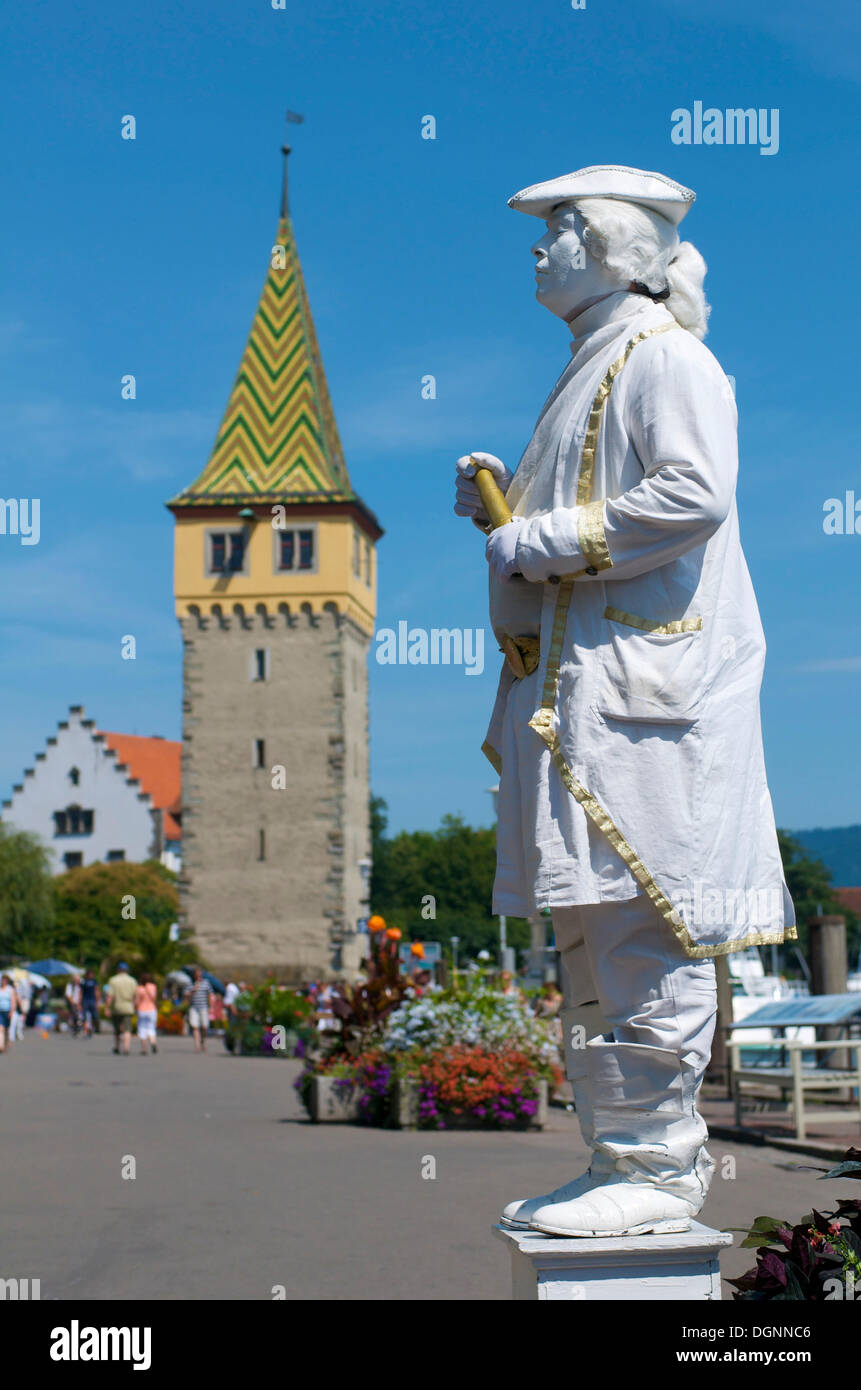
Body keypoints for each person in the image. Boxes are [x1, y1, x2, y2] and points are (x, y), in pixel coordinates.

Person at [455, 164, 794, 1239]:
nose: (537, 251)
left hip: (647, 708)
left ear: (606, 250)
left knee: (646, 931)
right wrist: (500, 513)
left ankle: (659, 1163)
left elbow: (692, 494)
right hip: (589, 703)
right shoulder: (594, 365)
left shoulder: (665, 358)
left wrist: (532, 538)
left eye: (556, 234)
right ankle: (619, 1153)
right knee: (594, 938)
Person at [104, 962, 138, 1055]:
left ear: (118, 970)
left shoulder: (113, 980)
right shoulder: (132, 981)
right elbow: (136, 996)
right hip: (128, 1007)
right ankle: (127, 1048)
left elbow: (110, 996)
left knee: (117, 1029)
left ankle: (117, 1047)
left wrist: (107, 1008)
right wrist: (135, 1006)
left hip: (117, 1007)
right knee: (127, 1029)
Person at [186, 968, 213, 1052]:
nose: (198, 976)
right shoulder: (190, 983)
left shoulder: (206, 983)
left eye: (199, 974)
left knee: (204, 1026)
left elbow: (210, 994)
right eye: (196, 974)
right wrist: (193, 990)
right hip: (194, 1007)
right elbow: (186, 996)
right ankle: (197, 1046)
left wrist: (211, 1007)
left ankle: (203, 1042)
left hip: (204, 1007)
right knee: (195, 1027)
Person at [135, 973, 158, 1056]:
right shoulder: (153, 987)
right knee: (151, 1028)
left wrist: (135, 1007)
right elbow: (154, 998)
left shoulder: (139, 988)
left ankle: (144, 1048)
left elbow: (137, 1001)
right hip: (152, 1009)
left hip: (142, 1010)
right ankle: (153, 1042)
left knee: (142, 1029)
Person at [0, 974, 21, 1053]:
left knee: (6, 1029)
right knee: (0, 1028)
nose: (3, 981)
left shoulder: (10, 989)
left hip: (8, 1011)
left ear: (7, 981)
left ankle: (6, 1042)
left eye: (5, 980)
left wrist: (12, 1011)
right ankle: (1, 1045)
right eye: (2, 979)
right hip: (0, 1011)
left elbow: (13, 1001)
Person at [11, 973, 31, 1041]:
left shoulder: (24, 984)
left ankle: (17, 1034)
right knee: (15, 1021)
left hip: (19, 1006)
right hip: (16, 1006)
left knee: (19, 1020)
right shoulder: (18, 985)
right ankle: (14, 1035)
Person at [80, 970, 100, 1036]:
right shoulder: (84, 981)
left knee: (95, 1017)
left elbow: (96, 991)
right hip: (85, 1000)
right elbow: (81, 992)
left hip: (92, 1000)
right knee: (84, 1017)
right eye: (90, 974)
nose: (91, 975)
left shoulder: (94, 981)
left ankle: (92, 1028)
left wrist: (97, 1001)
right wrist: (79, 1002)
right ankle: (86, 1030)